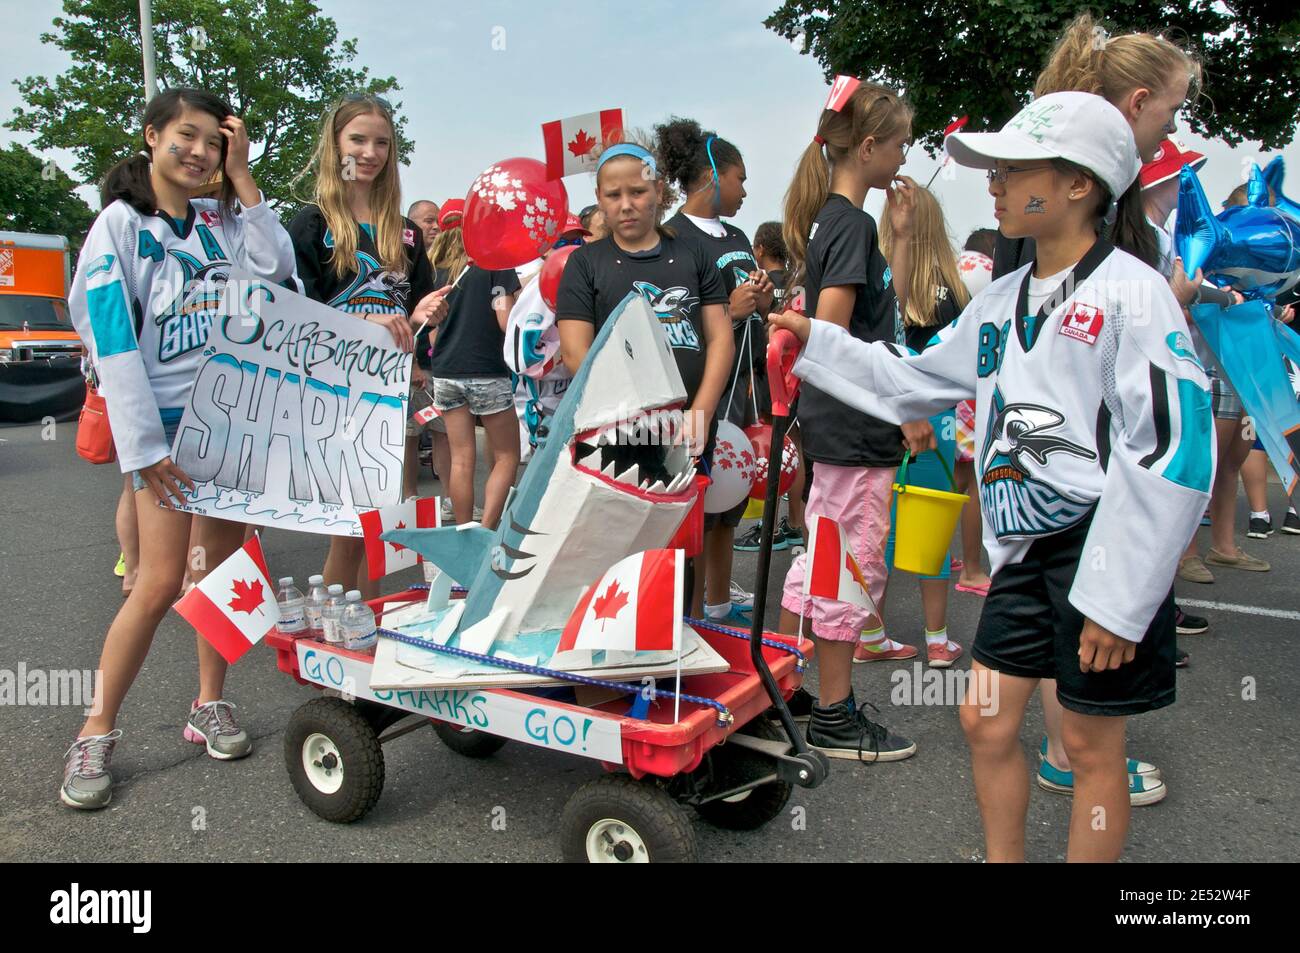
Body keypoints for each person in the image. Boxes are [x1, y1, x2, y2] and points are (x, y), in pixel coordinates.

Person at [773, 92, 1213, 860]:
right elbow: (907, 381)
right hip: (1027, 551)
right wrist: (816, 340)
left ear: (1080, 184)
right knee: (983, 719)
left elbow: (1177, 450)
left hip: (1102, 550)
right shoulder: (1002, 299)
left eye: (1012, 169)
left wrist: (1123, 598)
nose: (994, 184)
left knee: (1086, 741)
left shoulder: (1133, 293)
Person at [63, 87, 299, 809]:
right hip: (162, 437)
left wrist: (246, 177)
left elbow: (277, 272)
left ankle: (208, 702)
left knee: (222, 577)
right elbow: (109, 337)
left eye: (213, 141)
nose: (198, 152)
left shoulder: (220, 221)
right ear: (151, 136)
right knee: (159, 580)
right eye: (186, 136)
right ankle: (95, 728)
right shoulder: (120, 225)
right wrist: (141, 447)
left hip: (226, 427)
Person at [1008, 12, 1207, 795]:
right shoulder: (1099, 216)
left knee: (1073, 605)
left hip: (1079, 456)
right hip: (1081, 461)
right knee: (1076, 607)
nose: (1174, 125)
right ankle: (1076, 754)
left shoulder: (1094, 205)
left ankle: (1077, 748)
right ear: (1134, 102)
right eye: (1172, 108)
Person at [773, 77, 920, 762]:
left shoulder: (832, 220)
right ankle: (834, 712)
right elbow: (829, 331)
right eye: (898, 145)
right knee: (848, 564)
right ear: (867, 146)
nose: (903, 157)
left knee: (820, 557)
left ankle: (787, 689)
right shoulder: (849, 224)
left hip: (835, 424)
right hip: (856, 426)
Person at [555, 141, 733, 596]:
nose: (626, 204)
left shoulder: (694, 256)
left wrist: (703, 410)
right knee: (617, 546)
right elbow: (577, 354)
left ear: (658, 190)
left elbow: (719, 339)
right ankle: (617, 647)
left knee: (680, 547)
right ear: (599, 197)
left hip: (688, 430)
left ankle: (679, 641)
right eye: (613, 195)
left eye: (637, 191)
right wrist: (638, 413)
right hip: (618, 431)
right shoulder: (585, 263)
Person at [288, 94, 449, 594]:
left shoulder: (403, 230)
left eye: (382, 142)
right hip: (332, 392)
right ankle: (333, 636)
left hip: (389, 388)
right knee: (348, 526)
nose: (370, 151)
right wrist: (373, 323)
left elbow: (417, 308)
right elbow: (296, 315)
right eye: (358, 139)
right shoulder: (311, 222)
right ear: (335, 144)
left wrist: (427, 312)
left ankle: (360, 624)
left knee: (370, 523)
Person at [656, 117, 775, 626]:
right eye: (740, 178)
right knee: (694, 503)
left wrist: (762, 300)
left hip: (742, 389)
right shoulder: (674, 238)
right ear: (712, 175)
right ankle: (689, 610)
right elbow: (676, 321)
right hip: (699, 390)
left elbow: (753, 307)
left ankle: (721, 602)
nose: (746, 189)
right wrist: (731, 308)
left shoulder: (737, 233)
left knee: (730, 500)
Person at [876, 184, 966, 666]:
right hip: (940, 420)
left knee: (880, 531)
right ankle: (937, 640)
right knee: (932, 530)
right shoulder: (955, 289)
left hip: (889, 412)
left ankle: (871, 631)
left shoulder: (885, 282)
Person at [427, 224, 521, 530]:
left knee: (461, 459)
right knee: (507, 455)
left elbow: (430, 336)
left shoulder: (435, 272)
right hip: (486, 369)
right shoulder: (496, 265)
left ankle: (463, 530)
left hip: (446, 371)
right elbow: (505, 320)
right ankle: (487, 530)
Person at [736, 220, 807, 554]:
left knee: (772, 446)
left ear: (760, 250)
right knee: (795, 446)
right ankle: (794, 522)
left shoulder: (756, 285)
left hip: (768, 376)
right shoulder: (798, 284)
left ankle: (773, 524)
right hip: (797, 376)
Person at [952, 229, 998, 595]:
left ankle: (939, 555)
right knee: (970, 486)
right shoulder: (990, 273)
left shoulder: (954, 268)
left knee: (948, 479)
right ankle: (971, 568)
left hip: (944, 386)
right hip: (970, 386)